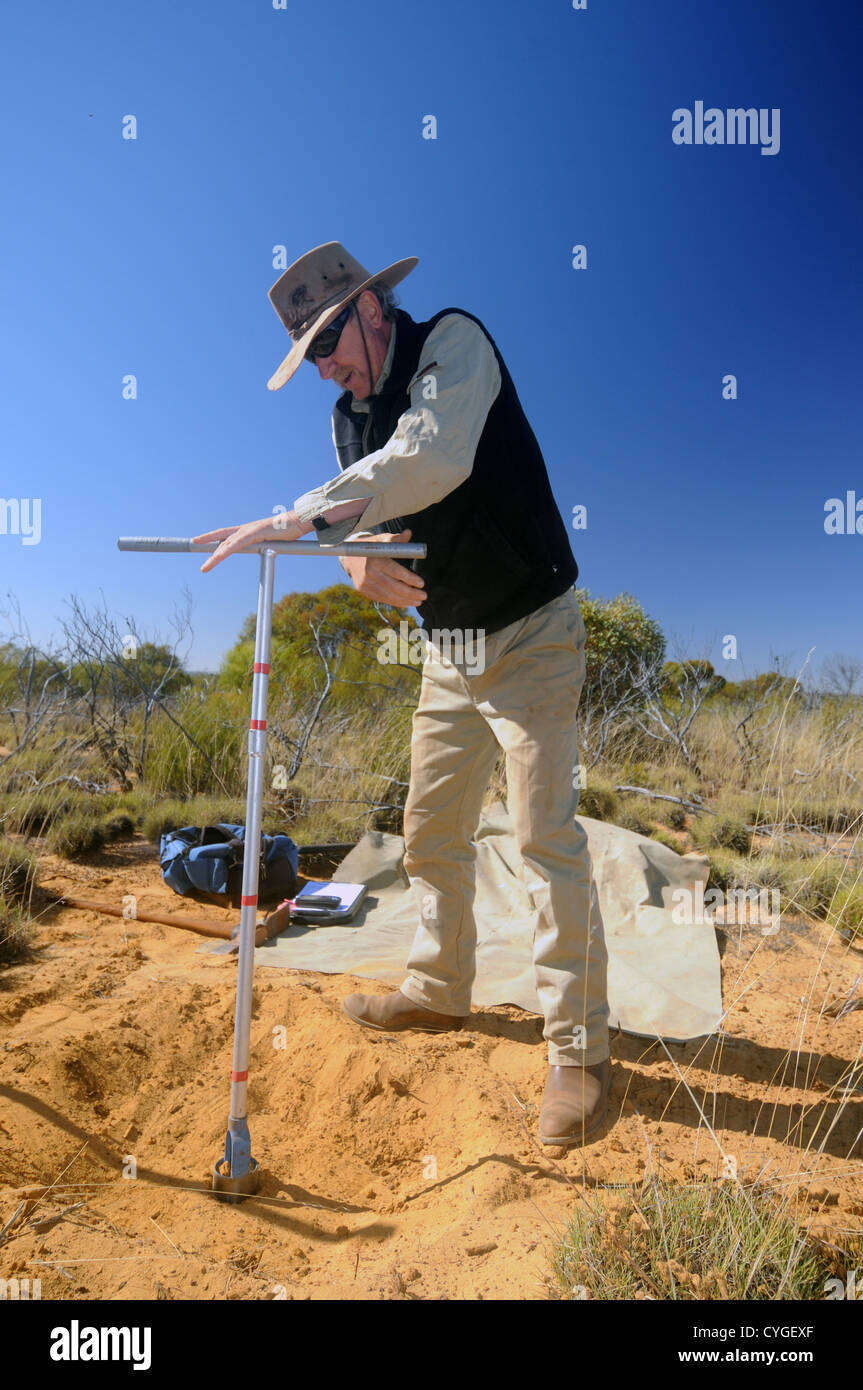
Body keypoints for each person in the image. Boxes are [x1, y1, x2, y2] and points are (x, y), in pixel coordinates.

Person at [194, 241, 612, 1145]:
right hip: (448, 648)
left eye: (325, 344)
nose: (323, 370)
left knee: (542, 835)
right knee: (430, 829)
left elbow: (429, 458)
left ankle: (577, 1050)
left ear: (370, 311)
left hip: (533, 628)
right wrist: (349, 559)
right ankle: (437, 988)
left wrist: (303, 518)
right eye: (307, 357)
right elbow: (370, 515)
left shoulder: (453, 344)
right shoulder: (348, 417)